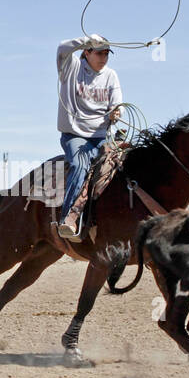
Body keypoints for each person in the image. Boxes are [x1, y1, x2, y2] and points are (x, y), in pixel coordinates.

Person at [55, 33, 122, 239]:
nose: (103, 58)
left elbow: (117, 105)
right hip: (74, 135)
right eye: (99, 53)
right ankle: (69, 219)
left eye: (106, 54)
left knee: (123, 165)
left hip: (101, 136)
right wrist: (84, 39)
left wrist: (116, 113)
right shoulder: (71, 68)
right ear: (87, 52)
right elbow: (62, 48)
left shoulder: (111, 75)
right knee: (80, 165)